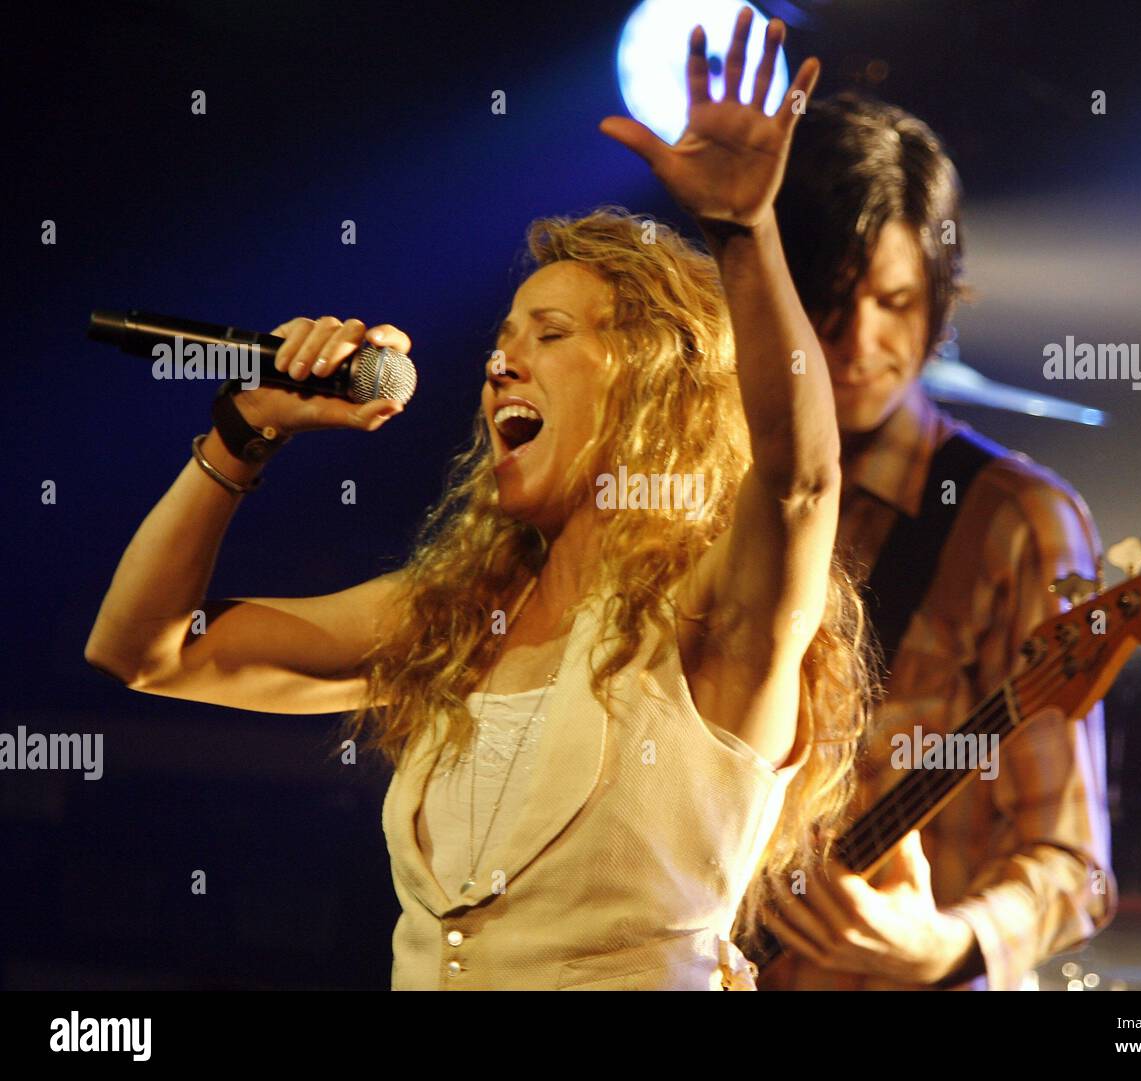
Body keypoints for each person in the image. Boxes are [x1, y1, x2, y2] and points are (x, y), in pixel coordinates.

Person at [84, 12, 870, 990]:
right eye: (503, 339)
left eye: (548, 334)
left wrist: (746, 234)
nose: (501, 362)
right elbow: (141, 650)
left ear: (654, 378)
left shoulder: (711, 620)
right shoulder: (455, 618)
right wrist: (243, 434)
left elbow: (799, 481)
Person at [756, 92, 1116, 990]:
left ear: (942, 300)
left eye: (898, 300)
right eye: (830, 300)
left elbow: (1075, 864)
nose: (861, 340)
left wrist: (943, 945)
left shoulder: (1014, 520)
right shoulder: (718, 499)